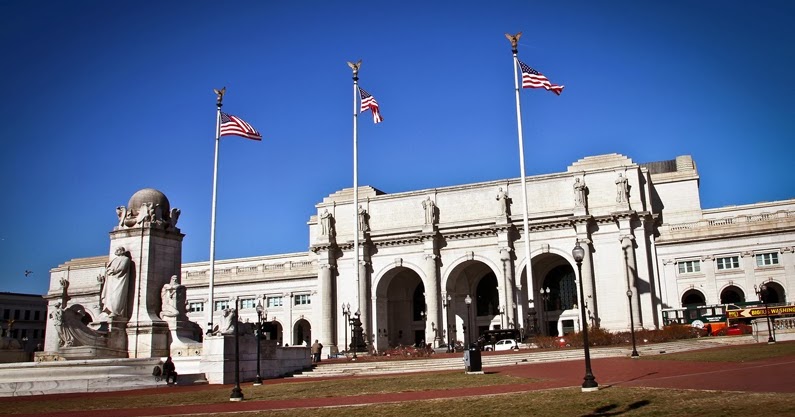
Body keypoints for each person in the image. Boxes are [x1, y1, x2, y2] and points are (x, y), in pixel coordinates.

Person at [101, 247, 131, 319]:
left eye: (118, 250)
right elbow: (108, 268)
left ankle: (116, 311)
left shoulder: (125, 259)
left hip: (119, 280)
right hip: (111, 281)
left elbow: (122, 268)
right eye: (116, 250)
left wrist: (113, 271)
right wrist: (109, 271)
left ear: (122, 251)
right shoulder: (114, 259)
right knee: (110, 296)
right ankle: (109, 311)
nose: (116, 251)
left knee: (117, 295)